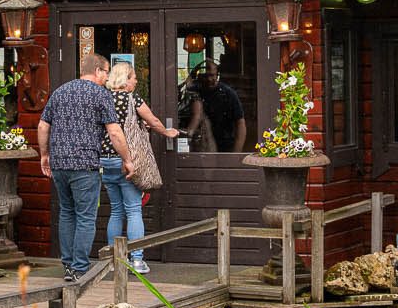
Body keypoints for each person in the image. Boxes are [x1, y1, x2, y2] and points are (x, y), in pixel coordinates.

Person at [37, 54, 132, 282]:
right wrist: (127, 159)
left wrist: (45, 155)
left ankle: (68, 265)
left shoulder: (61, 91)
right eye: (106, 71)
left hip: (59, 164)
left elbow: (42, 125)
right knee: (86, 217)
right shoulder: (101, 94)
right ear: (97, 71)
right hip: (84, 164)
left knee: (67, 213)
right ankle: (80, 268)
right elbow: (115, 132)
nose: (107, 76)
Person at [100, 60, 181, 274]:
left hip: (106, 160)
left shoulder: (103, 98)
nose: (136, 80)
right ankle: (136, 260)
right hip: (126, 161)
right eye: (134, 77)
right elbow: (153, 120)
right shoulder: (131, 98)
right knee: (134, 209)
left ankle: (114, 261)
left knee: (116, 210)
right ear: (126, 80)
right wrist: (167, 132)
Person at [181, 65, 248, 152]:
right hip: (202, 143)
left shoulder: (228, 93)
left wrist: (237, 153)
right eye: (206, 76)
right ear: (200, 77)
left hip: (225, 142)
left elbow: (240, 123)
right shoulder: (195, 91)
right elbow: (187, 84)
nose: (209, 79)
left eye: (212, 75)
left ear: (217, 75)